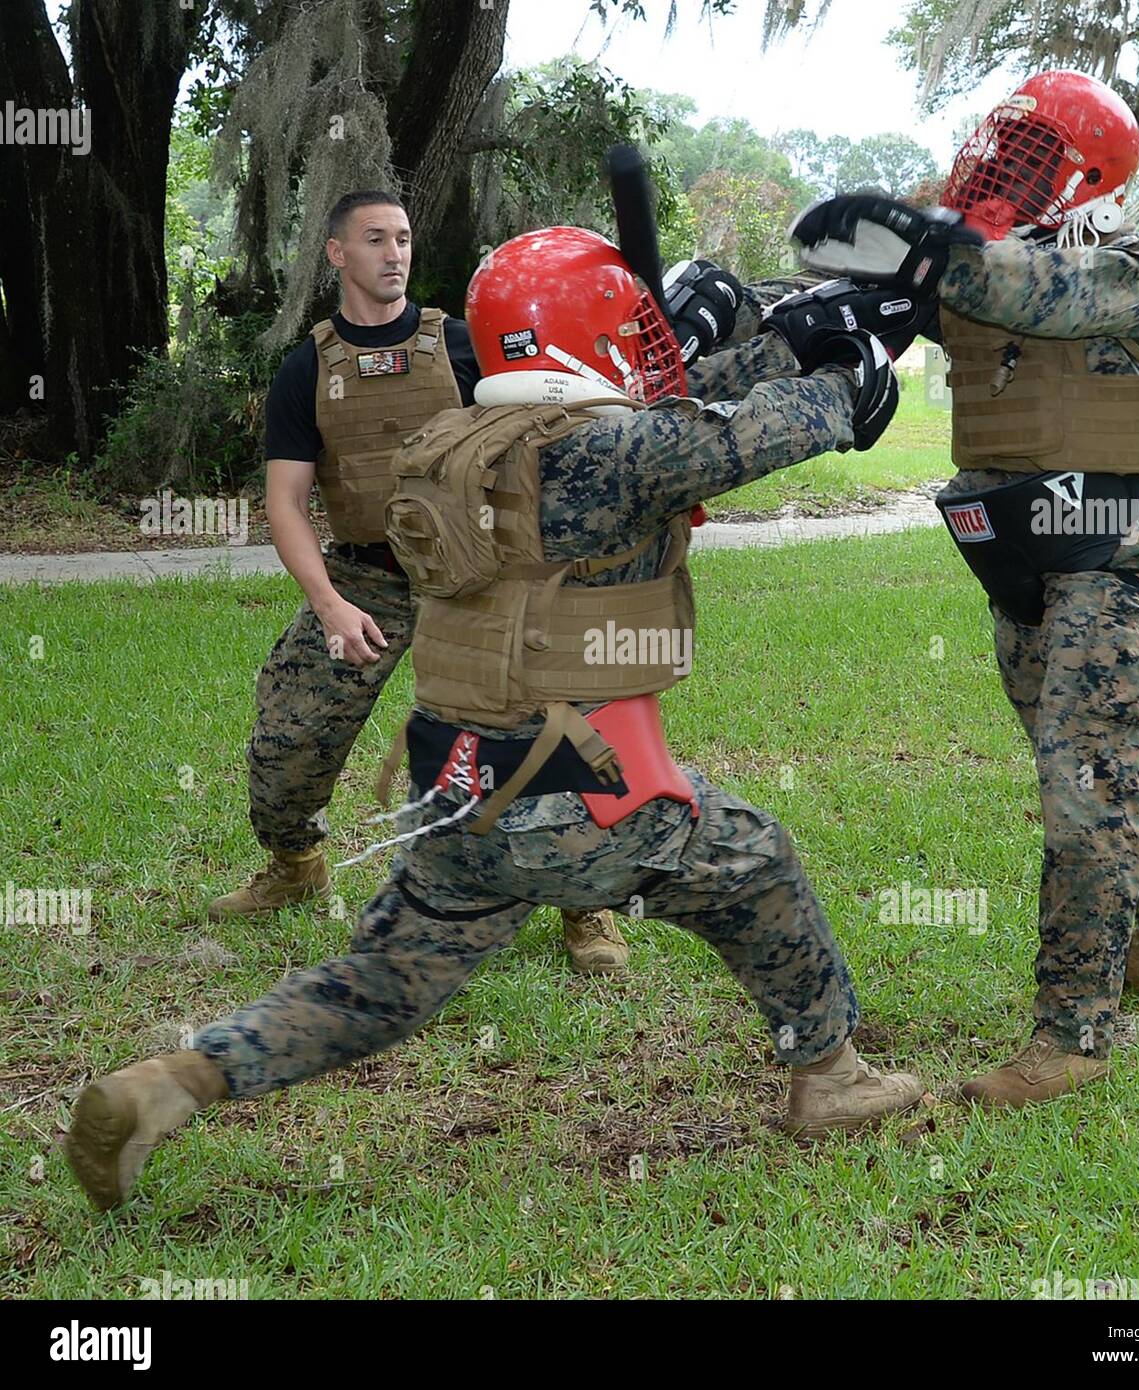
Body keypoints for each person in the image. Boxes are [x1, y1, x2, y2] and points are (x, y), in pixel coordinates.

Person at [66, 224, 924, 1212]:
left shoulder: (446, 441)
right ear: (590, 331)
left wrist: (761, 334)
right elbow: (785, 420)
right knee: (756, 858)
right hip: (578, 799)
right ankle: (831, 1076)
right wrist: (843, 355)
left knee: (381, 979)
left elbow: (657, 409)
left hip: (457, 791)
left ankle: (176, 1078)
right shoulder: (619, 453)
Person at [791, 70, 1139, 1108]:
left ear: (1089, 175)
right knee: (1080, 758)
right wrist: (841, 311)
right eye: (996, 151)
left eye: (1025, 157)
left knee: (1081, 780)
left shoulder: (1129, 264)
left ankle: (1071, 1037)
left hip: (1104, 551)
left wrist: (923, 244)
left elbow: (1029, 292)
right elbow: (918, 304)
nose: (995, 171)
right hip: (1017, 554)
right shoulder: (984, 262)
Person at [210, 188, 627, 973]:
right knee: (286, 741)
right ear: (337, 253)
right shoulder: (307, 370)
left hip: (481, 576)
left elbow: (549, 430)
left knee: (545, 731)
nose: (394, 253)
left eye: (402, 237)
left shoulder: (470, 348)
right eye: (375, 239)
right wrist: (329, 605)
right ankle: (295, 866)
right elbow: (286, 502)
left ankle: (586, 904)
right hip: (369, 581)